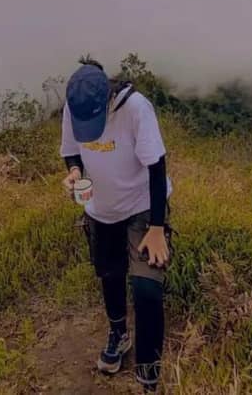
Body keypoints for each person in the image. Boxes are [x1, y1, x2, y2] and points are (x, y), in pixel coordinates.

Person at [61, 58, 171, 392]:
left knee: (147, 286)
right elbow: (71, 152)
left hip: (142, 205)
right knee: (109, 273)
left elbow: (157, 165)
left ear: (107, 97)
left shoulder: (136, 108)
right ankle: (119, 334)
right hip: (102, 207)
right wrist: (75, 173)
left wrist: (156, 227)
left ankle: (148, 366)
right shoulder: (75, 107)